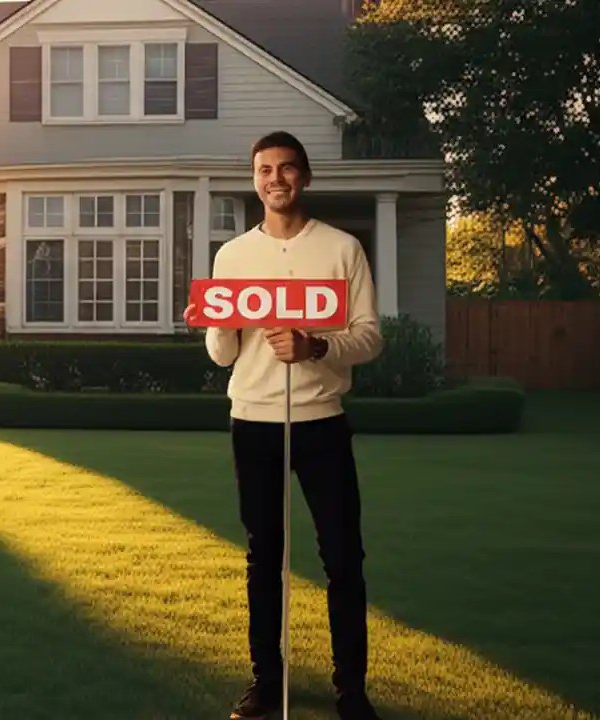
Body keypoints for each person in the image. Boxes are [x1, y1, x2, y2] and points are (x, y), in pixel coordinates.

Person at [184, 132, 384, 720]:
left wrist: (316, 344)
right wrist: (212, 321)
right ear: (255, 180)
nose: (276, 179)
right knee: (262, 556)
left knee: (343, 557)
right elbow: (223, 355)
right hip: (253, 421)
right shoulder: (231, 256)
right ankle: (266, 683)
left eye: (287, 168)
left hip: (322, 422)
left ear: (305, 177)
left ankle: (352, 690)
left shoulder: (343, 249)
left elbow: (370, 338)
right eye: (264, 170)